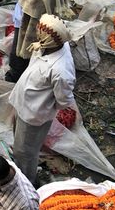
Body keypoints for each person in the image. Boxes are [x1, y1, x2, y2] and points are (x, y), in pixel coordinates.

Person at [9, 14, 75, 184]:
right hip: (24, 102)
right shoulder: (47, 45)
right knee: (19, 141)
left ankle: (26, 181)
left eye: (40, 31)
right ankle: (19, 160)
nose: (36, 32)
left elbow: (64, 98)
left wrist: (47, 107)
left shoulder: (61, 70)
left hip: (34, 113)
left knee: (26, 151)